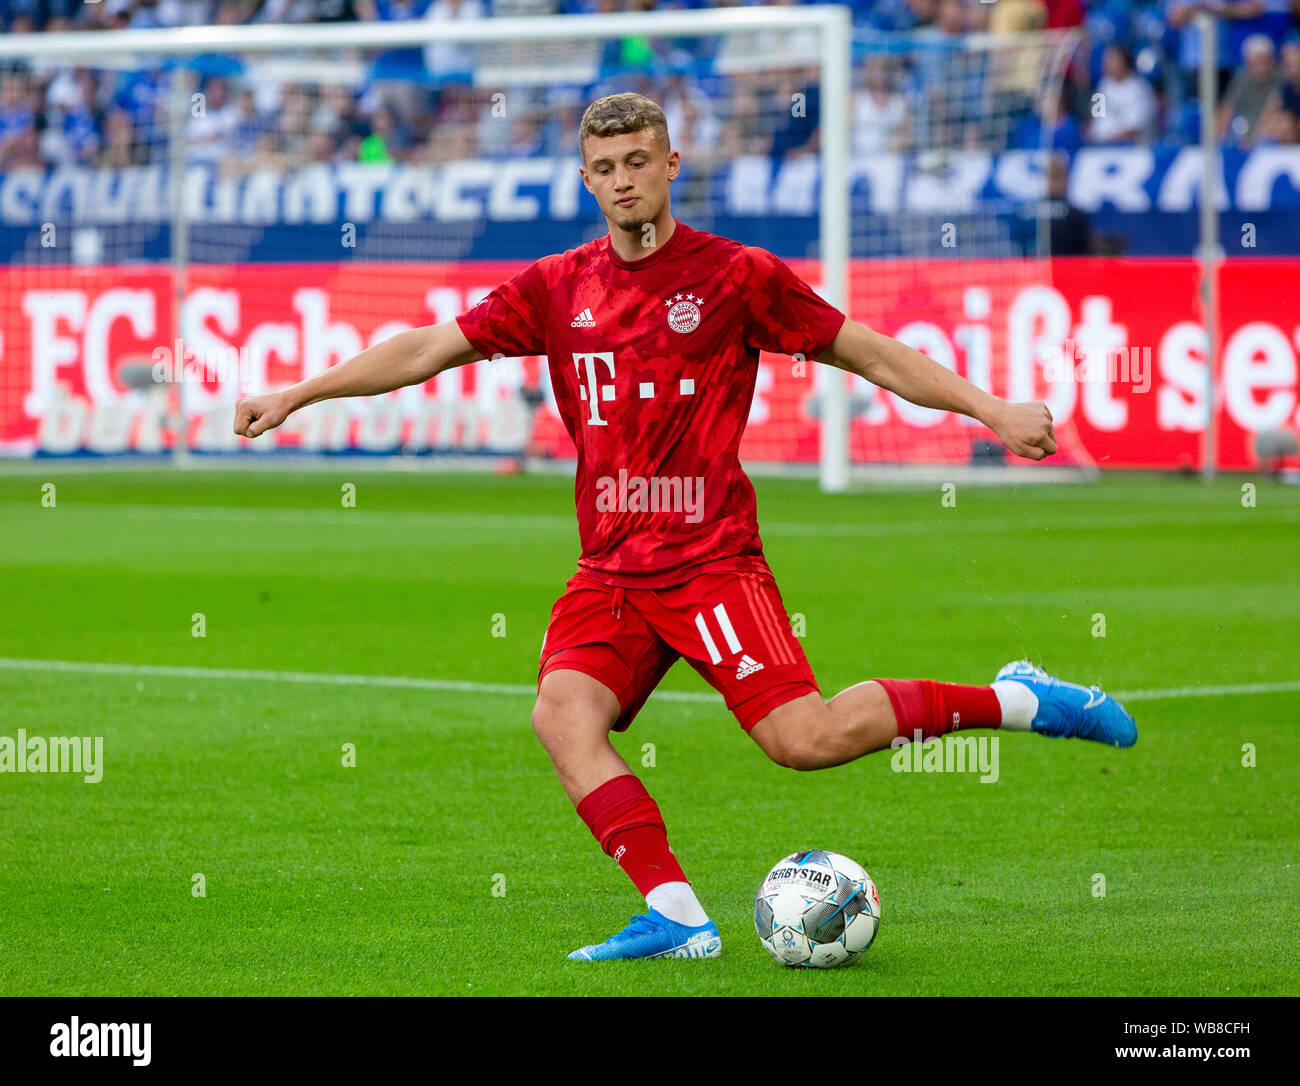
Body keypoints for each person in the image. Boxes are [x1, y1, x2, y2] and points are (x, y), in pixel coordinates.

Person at [233, 93, 1137, 962]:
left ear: (672, 164)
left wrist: (989, 408)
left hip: (710, 565)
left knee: (804, 741)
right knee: (563, 715)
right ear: (587, 182)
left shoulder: (737, 277)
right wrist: (296, 393)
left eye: (637, 161)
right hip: (611, 575)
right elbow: (427, 347)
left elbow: (870, 351)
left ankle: (1020, 699)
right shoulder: (557, 286)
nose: (623, 180)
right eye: (603, 168)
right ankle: (676, 917)